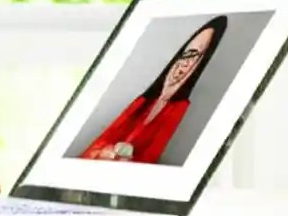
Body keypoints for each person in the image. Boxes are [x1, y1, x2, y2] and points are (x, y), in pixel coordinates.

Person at [77, 15, 228, 164]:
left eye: (196, 58)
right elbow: (97, 146)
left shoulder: (178, 109)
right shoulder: (143, 101)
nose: (185, 64)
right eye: (186, 55)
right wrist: (102, 152)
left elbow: (149, 159)